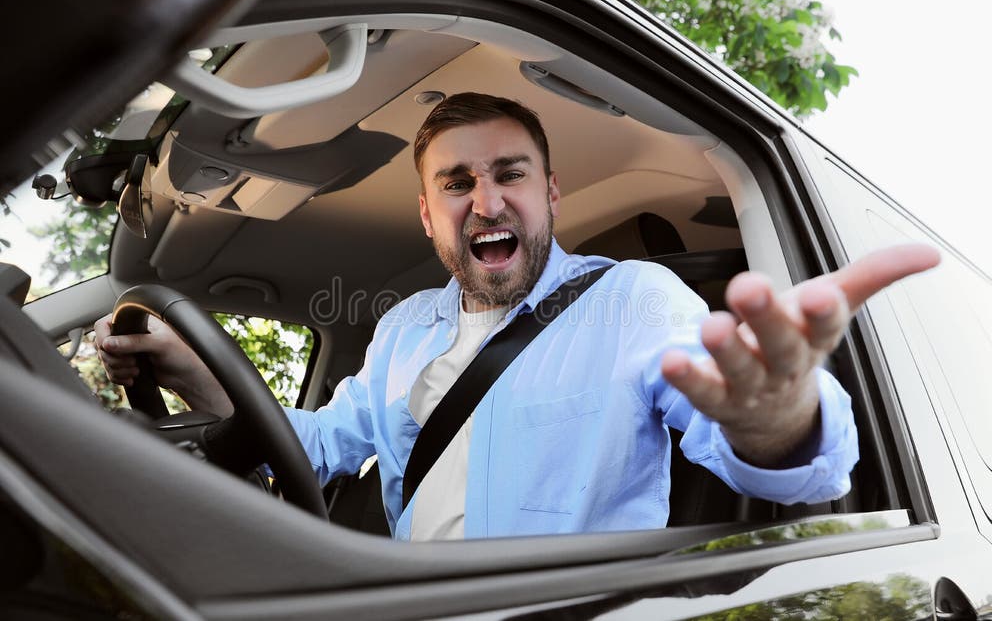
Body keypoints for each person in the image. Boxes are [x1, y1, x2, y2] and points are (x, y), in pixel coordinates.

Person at [95, 93, 939, 540]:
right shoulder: (403, 329)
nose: (487, 199)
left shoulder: (633, 301)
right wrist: (187, 365)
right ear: (428, 216)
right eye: (457, 183)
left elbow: (801, 474)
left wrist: (779, 417)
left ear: (550, 195)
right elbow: (312, 448)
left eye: (511, 174)